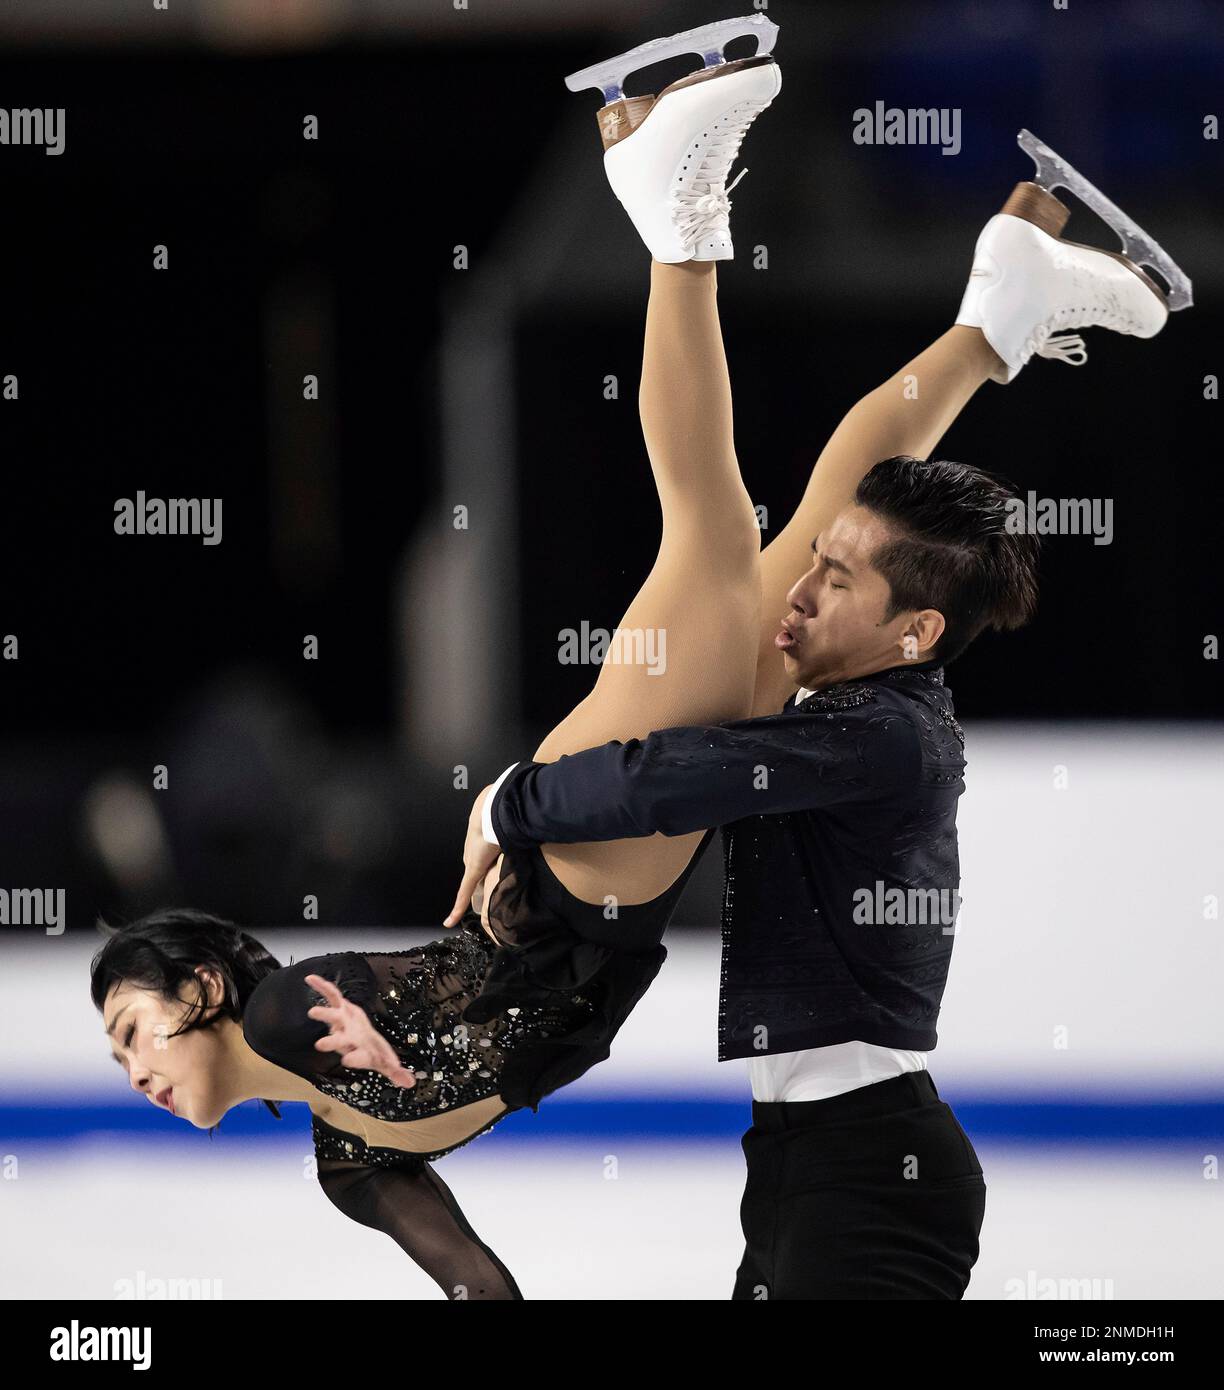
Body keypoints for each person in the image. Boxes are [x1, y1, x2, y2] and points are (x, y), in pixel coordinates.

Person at [446, 27, 1189, 1302]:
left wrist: (514, 799)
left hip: (838, 1155)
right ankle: (707, 223)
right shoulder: (871, 717)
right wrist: (510, 801)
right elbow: (669, 780)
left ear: (909, 633)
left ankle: (975, 307)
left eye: (842, 584)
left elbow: (674, 777)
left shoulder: (866, 718)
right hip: (847, 1160)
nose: (812, 588)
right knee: (724, 537)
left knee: (726, 538)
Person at [92, 39, 785, 1301]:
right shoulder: (347, 1163)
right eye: (121, 1045)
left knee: (723, 544)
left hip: (575, 876)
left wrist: (375, 1037)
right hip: (584, 891)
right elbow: (484, 1289)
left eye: (132, 1031)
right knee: (759, 568)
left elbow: (332, 1011)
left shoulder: (280, 1016)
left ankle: (678, 210)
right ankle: (684, 182)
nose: (131, 1068)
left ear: (206, 988)